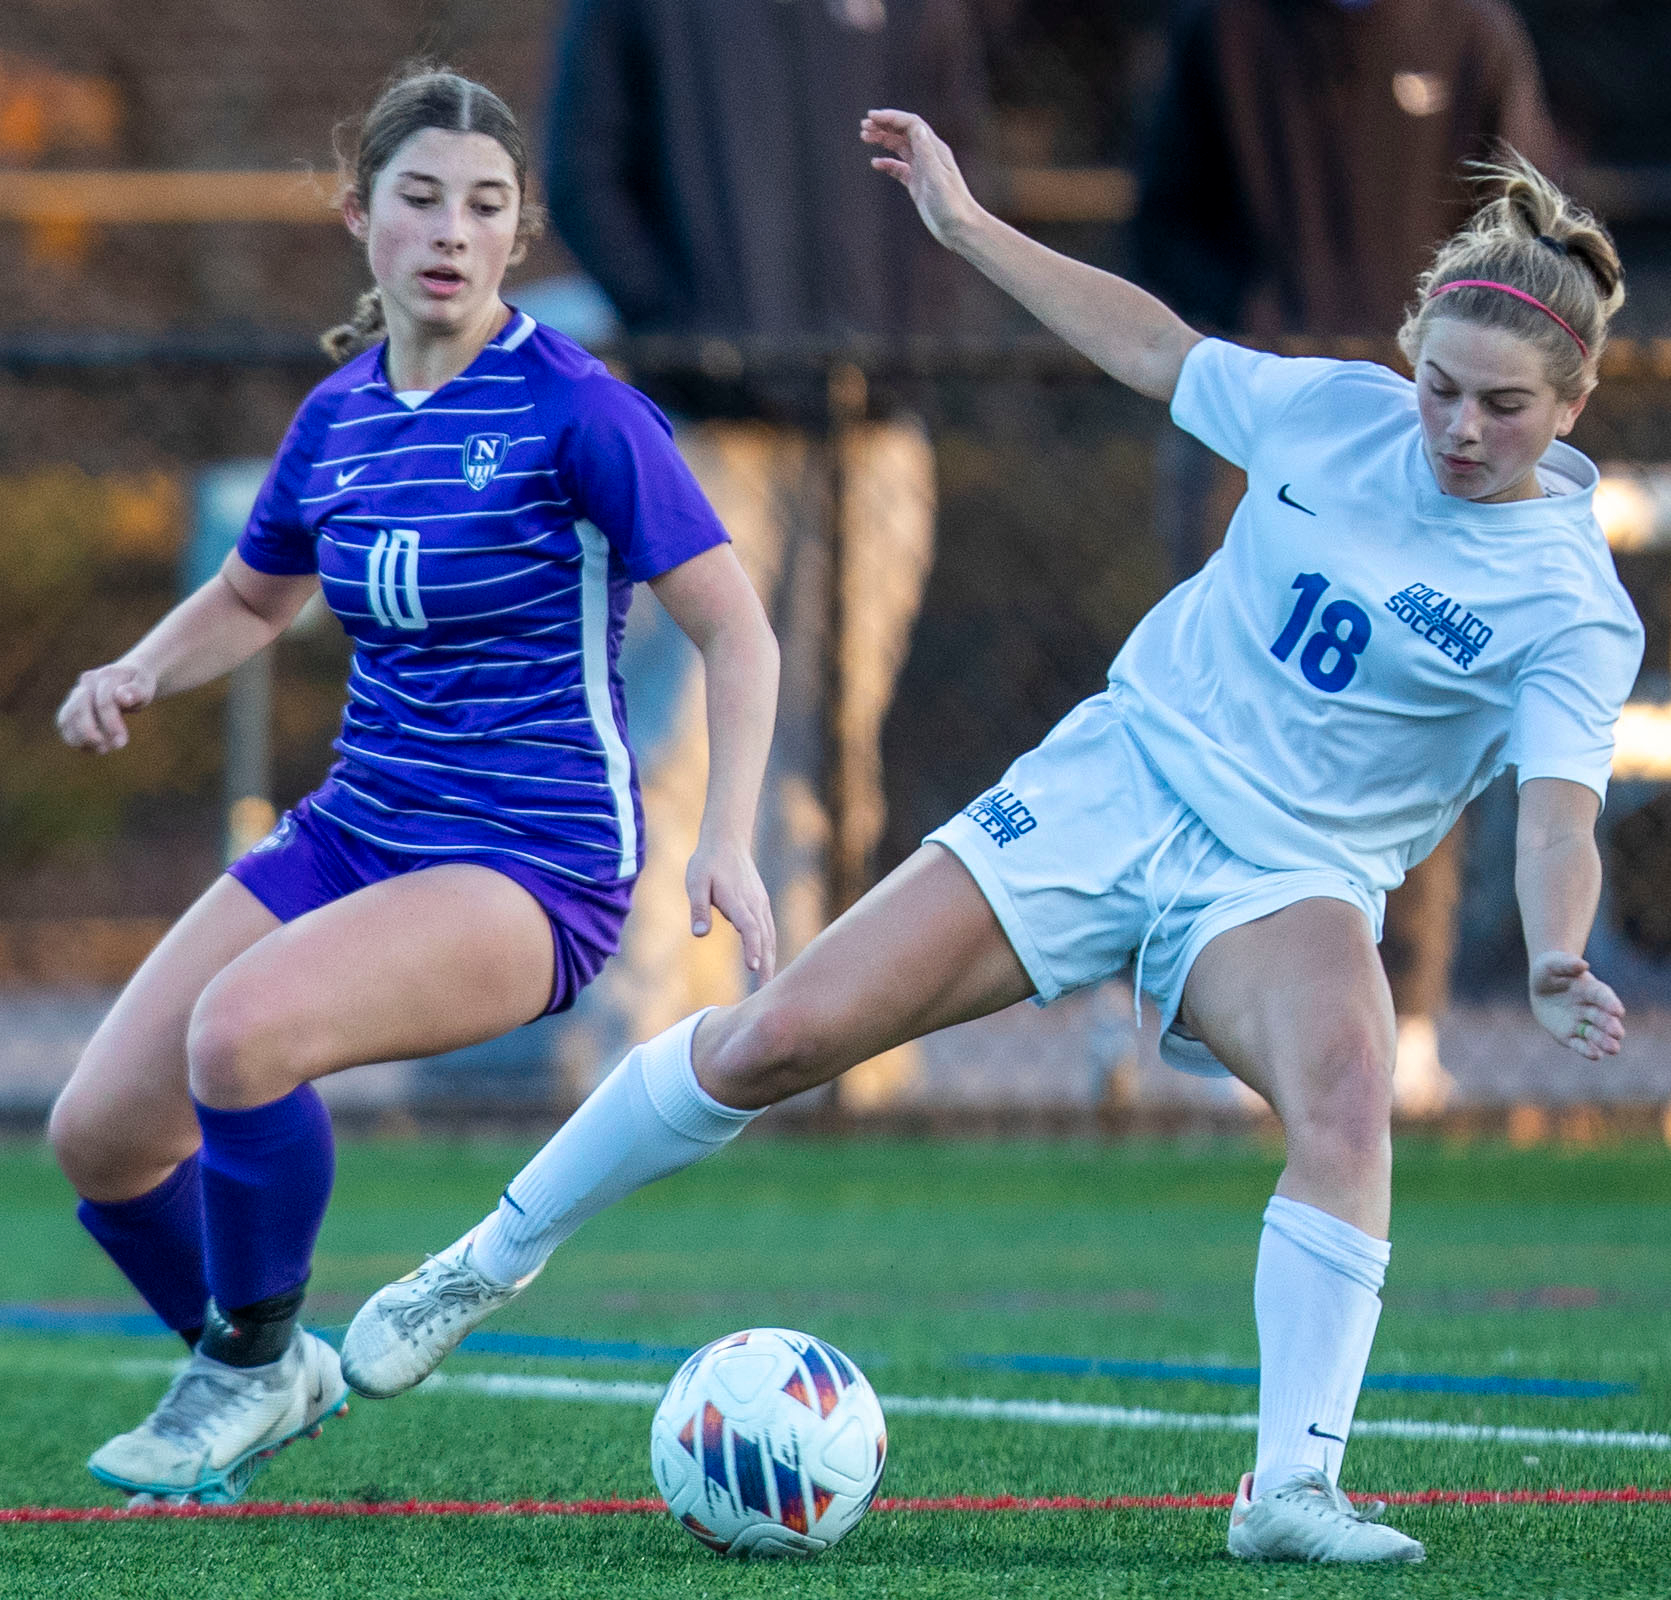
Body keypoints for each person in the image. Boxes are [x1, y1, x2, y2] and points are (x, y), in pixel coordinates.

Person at [342, 109, 1640, 1563]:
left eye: (1502, 406)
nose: (1458, 427)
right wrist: (966, 228)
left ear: (1572, 402)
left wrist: (1554, 950)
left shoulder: (1568, 606)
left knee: (1346, 1091)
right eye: (1441, 388)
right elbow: (1151, 347)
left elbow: (1552, 816)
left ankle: (1289, 1490)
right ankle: (478, 1264)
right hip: (1117, 779)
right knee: (775, 1041)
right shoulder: (1333, 412)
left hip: (1287, 878)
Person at [48, 66, 779, 1506]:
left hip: (529, 864)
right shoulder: (337, 417)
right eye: (420, 198)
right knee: (104, 1133)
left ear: (517, 238)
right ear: (359, 219)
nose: (452, 230)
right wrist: (136, 667)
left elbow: (735, 627)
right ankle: (268, 1360)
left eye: (486, 205)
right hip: (354, 831)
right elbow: (257, 603)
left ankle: (248, 1369)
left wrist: (733, 838)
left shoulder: (581, 411)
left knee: (240, 1036)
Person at [536, 0, 992, 1099]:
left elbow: (957, 168)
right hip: (699, 430)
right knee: (675, 738)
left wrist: (904, 346)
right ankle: (642, 1046)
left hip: (871, 429)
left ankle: (827, 1045)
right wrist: (686, 329)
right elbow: (587, 166)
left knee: (835, 749)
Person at [1131, 0, 1563, 1114]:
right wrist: (1249, 347)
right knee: (1219, 714)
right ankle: (1209, 1018)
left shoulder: (1472, 36)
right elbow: (1164, 219)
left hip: (1434, 449)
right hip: (1268, 430)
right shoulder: (1221, 30)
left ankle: (1404, 1017)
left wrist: (1456, 377)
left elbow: (1529, 230)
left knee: (1418, 724)